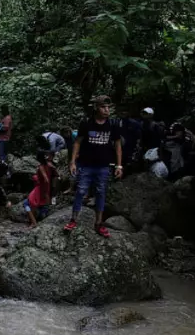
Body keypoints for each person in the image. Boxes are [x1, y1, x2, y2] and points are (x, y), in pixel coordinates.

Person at [64, 96, 123, 237]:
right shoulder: (86, 123)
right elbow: (77, 142)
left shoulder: (113, 124)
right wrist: (72, 161)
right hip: (86, 164)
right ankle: (73, 220)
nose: (106, 110)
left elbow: (117, 145)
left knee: (101, 193)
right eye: (103, 107)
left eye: (108, 107)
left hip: (103, 166)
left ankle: (99, 223)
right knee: (80, 191)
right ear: (96, 108)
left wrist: (119, 166)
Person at [26, 150, 57, 225]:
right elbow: (53, 174)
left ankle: (33, 223)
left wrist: (37, 179)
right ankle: (37, 219)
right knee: (39, 203)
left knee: (29, 203)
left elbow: (45, 178)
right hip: (45, 188)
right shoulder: (49, 165)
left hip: (40, 187)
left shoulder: (41, 166)